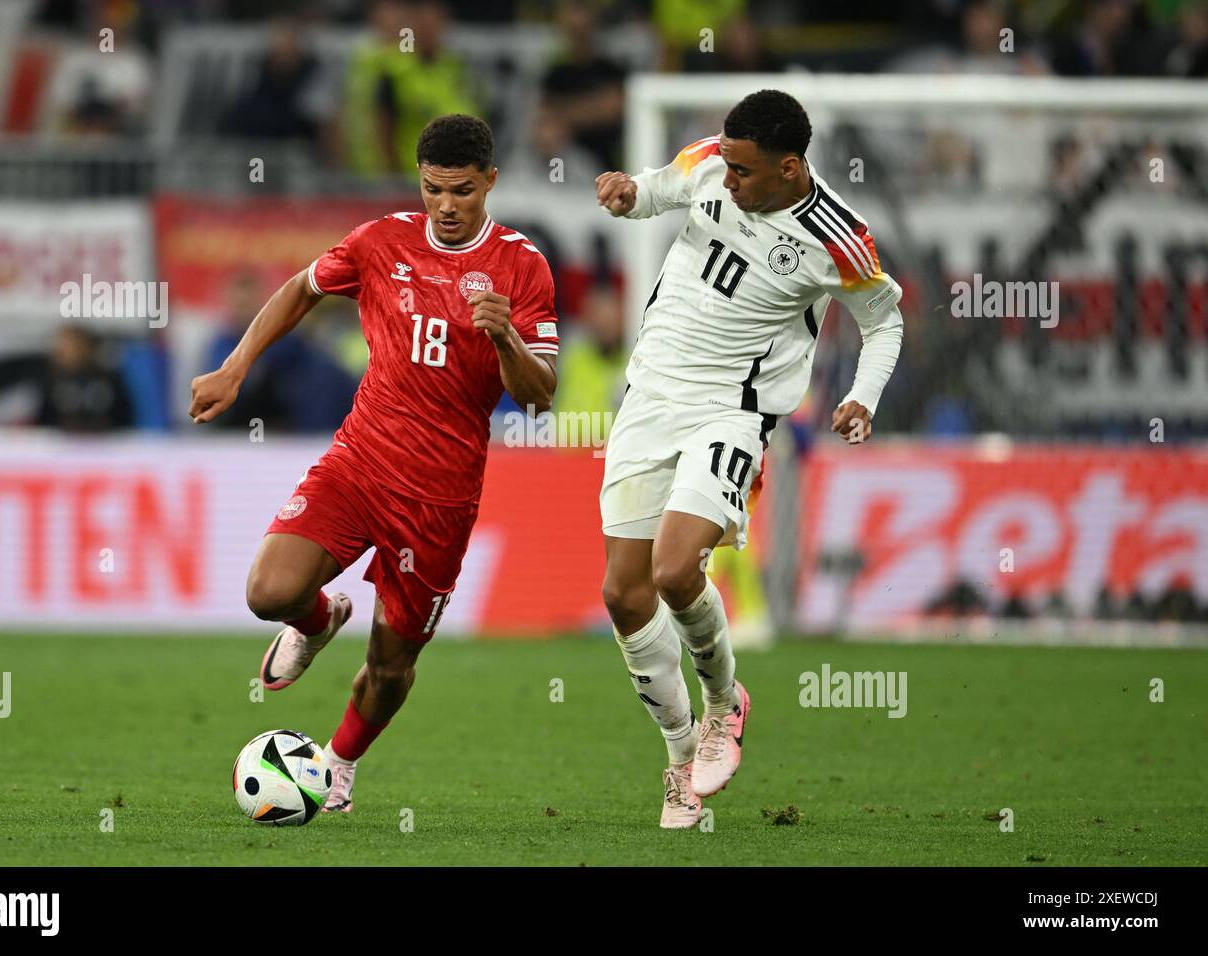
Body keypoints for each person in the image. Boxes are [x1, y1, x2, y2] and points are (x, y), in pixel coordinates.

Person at [189, 114, 558, 815]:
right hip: (359, 460)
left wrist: (506, 336)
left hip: (440, 497)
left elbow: (539, 397)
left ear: (491, 184)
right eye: (432, 190)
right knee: (268, 592)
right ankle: (320, 617)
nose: (446, 207)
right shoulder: (380, 241)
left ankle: (341, 764)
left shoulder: (522, 266)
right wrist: (234, 368)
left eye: (463, 193)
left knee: (392, 664)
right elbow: (301, 288)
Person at [595, 89, 905, 827]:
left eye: (743, 172)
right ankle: (679, 754)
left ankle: (725, 702)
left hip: (731, 415)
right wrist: (627, 191)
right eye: (726, 165)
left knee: (675, 572)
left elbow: (884, 323)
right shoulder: (712, 162)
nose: (727, 181)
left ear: (791, 168)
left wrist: (863, 395)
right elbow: (657, 190)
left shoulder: (839, 239)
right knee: (623, 593)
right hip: (649, 399)